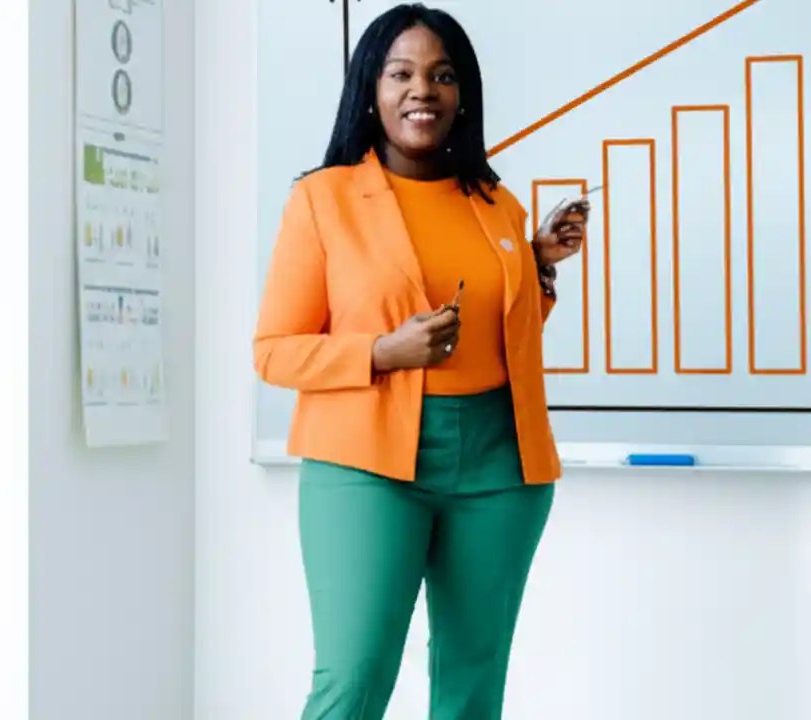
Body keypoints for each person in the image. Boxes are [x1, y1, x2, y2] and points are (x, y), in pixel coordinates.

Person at [252, 4, 589, 718]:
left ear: (463, 93)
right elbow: (274, 353)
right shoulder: (322, 199)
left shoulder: (497, 205)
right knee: (354, 678)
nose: (422, 91)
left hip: (501, 462)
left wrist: (534, 265)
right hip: (367, 466)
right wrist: (382, 352)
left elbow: (504, 333)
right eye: (401, 73)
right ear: (370, 90)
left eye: (441, 75)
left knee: (473, 681)